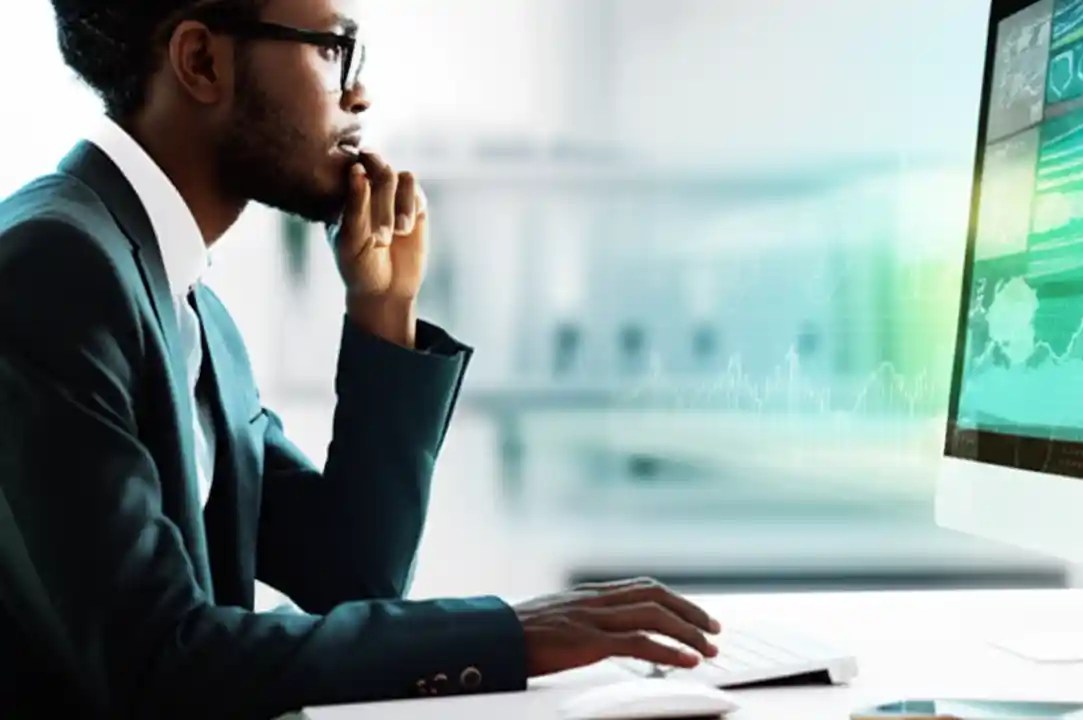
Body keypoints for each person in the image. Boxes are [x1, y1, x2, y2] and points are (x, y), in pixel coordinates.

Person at [0, 0, 722, 717]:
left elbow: (350, 575)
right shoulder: (54, 268)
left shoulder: (181, 299)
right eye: (333, 49)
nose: (359, 92)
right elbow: (157, 658)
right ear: (201, 61)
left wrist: (382, 313)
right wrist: (511, 633)